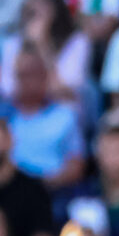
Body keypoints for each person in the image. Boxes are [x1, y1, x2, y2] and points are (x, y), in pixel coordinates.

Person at [0, 49, 86, 187]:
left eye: (32, 74)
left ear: (45, 77)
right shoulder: (4, 116)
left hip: (54, 192)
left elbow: (76, 165)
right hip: (8, 191)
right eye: (21, 75)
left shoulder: (66, 115)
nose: (26, 81)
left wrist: (41, 185)